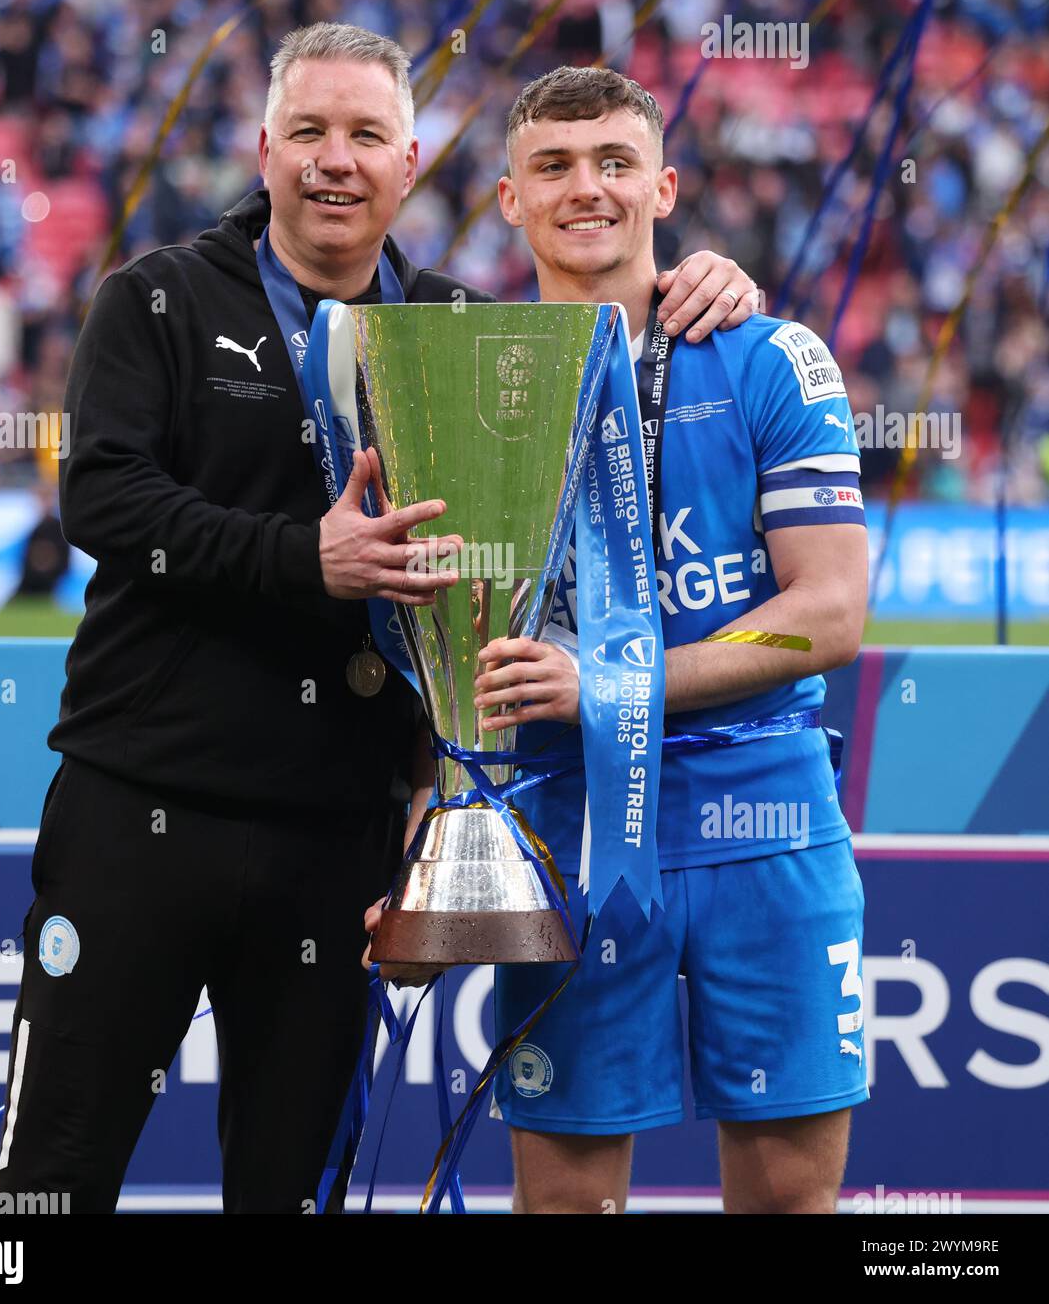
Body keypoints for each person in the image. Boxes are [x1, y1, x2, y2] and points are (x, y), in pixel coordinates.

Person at [0, 24, 758, 1215]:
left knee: (295, 1191)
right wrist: (305, 557)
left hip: (337, 841)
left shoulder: (458, 327)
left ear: (409, 165)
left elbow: (586, 367)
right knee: (47, 1184)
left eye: (365, 135)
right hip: (139, 810)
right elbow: (102, 497)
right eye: (308, 131)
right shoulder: (157, 299)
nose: (334, 160)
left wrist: (708, 280)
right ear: (264, 150)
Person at [370, 65, 869, 1214]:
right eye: (551, 166)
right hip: (566, 834)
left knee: (790, 1202)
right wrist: (424, 845)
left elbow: (829, 614)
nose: (584, 188)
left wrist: (610, 684)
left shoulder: (767, 358)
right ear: (510, 198)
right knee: (567, 1208)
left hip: (764, 827)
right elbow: (447, 648)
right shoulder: (469, 386)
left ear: (664, 187)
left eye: (613, 163)